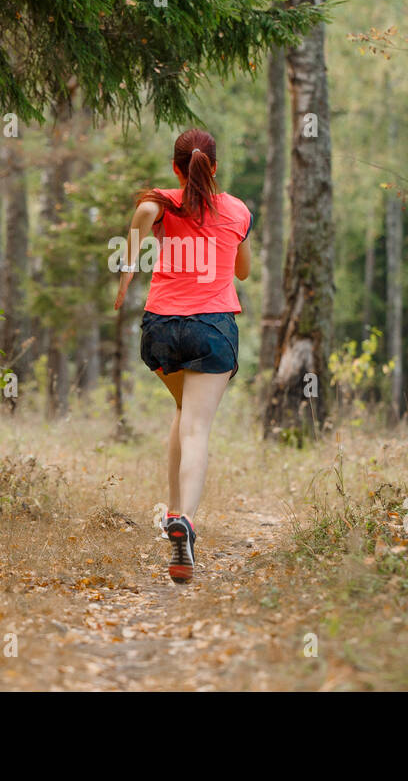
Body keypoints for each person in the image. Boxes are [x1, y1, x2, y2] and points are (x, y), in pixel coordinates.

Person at [113, 128, 252, 583]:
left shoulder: (162, 204)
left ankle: (174, 512)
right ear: (213, 167)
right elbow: (243, 272)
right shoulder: (237, 210)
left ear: (177, 167)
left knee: (181, 409)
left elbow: (146, 210)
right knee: (196, 426)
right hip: (211, 328)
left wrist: (129, 268)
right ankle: (185, 522)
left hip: (161, 329)